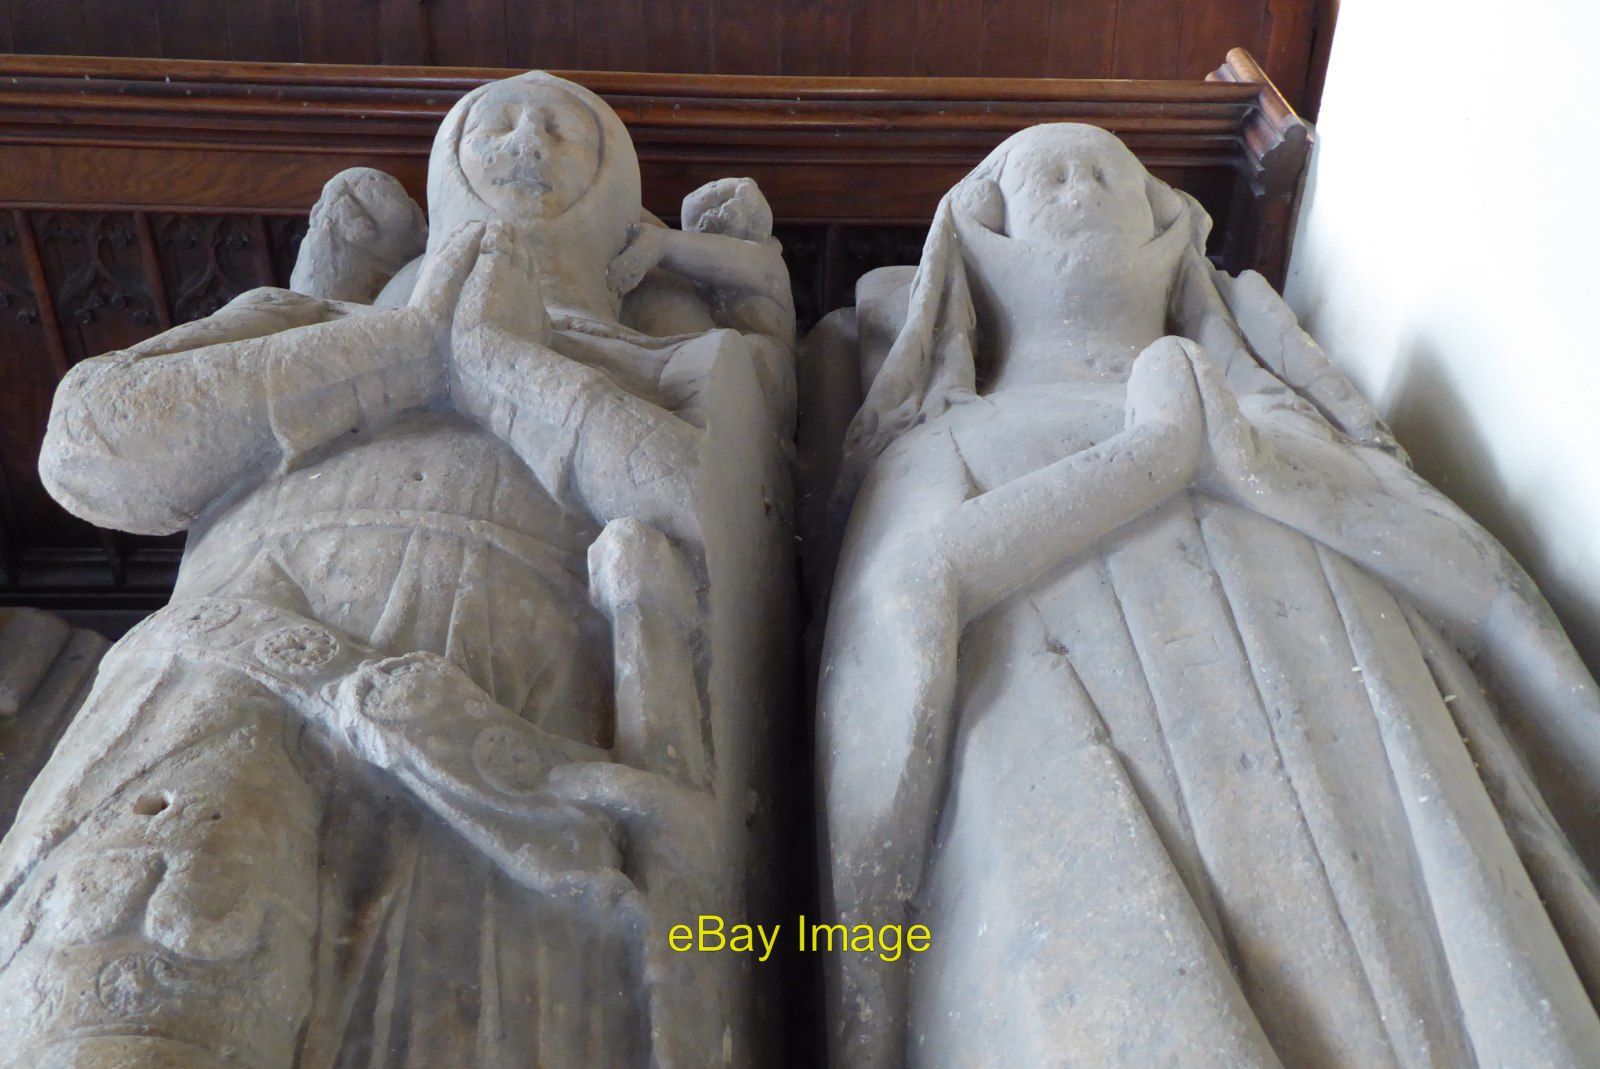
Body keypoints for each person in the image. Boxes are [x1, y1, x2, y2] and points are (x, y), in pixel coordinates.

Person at [1, 72, 790, 1067]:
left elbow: (718, 518)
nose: (527, 138)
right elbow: (91, 446)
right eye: (491, 124)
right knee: (140, 987)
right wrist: (405, 349)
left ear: (615, 196)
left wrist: (500, 363)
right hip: (233, 659)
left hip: (518, 692)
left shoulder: (667, 353)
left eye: (567, 132)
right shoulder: (301, 317)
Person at [818, 122, 1600, 1067]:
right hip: (1075, 783)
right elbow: (895, 614)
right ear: (989, 239)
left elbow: (1484, 592)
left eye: (1107, 170)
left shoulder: (1278, 419)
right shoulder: (949, 437)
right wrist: (1145, 460)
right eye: (1047, 176)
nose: (1079, 186)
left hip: (1367, 749)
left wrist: (1261, 469)